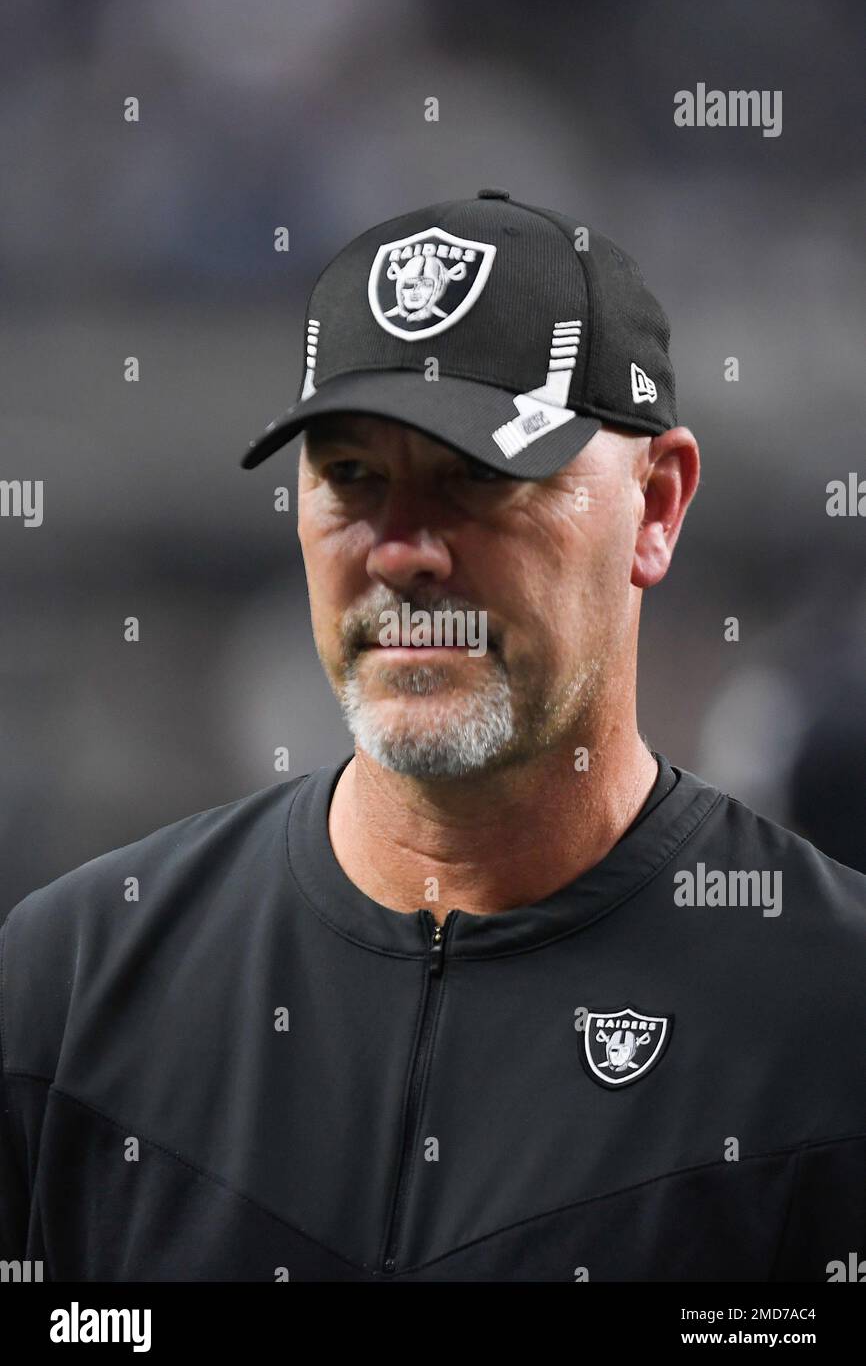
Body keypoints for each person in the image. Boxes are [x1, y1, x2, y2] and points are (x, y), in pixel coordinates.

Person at [2, 191, 864, 1283]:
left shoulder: (832, 1011)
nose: (403, 550)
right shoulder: (75, 984)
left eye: (481, 475)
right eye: (352, 476)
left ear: (655, 506)